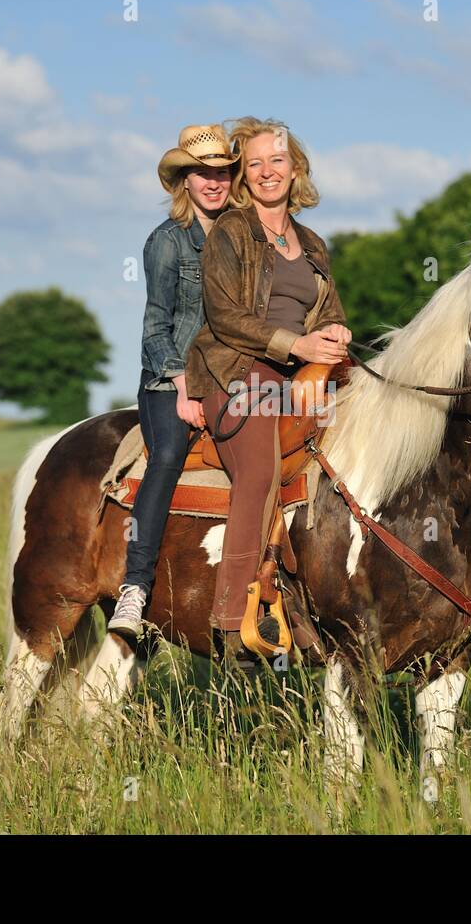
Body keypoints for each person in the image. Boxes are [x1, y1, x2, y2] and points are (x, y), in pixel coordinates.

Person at [183, 116, 351, 663]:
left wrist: (335, 333)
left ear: (295, 169)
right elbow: (226, 316)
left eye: (275, 161)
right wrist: (297, 346)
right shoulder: (230, 234)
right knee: (259, 471)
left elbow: (328, 311)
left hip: (299, 377)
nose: (265, 172)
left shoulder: (314, 243)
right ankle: (234, 620)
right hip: (237, 372)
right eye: (253, 164)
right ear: (243, 177)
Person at [108, 125, 238, 636]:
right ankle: (135, 587)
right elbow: (154, 326)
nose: (213, 182)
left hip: (227, 377)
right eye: (202, 172)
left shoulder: (239, 238)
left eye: (222, 172)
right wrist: (184, 386)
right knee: (167, 454)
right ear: (184, 180)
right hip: (169, 380)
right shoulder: (165, 242)